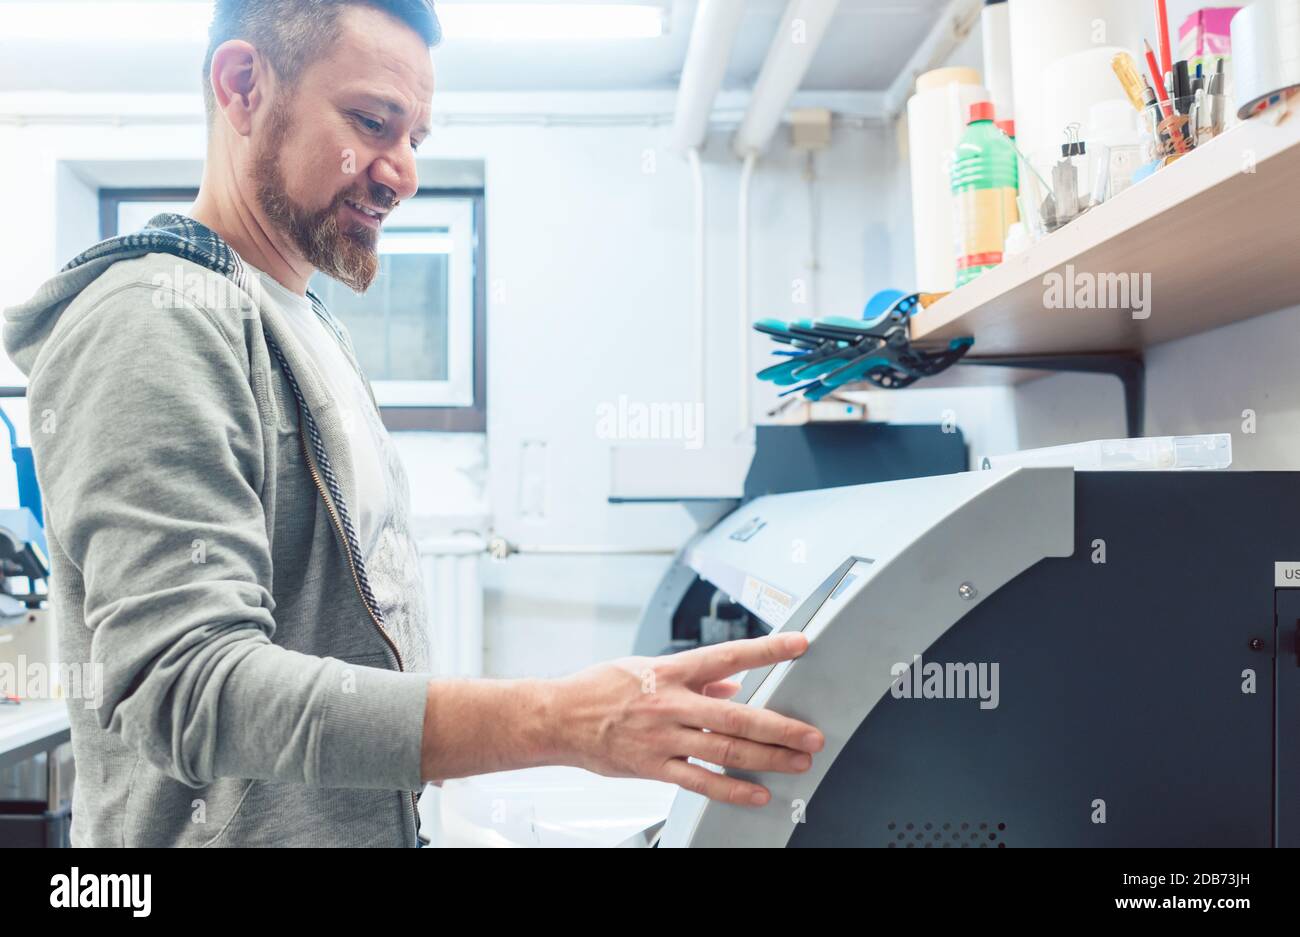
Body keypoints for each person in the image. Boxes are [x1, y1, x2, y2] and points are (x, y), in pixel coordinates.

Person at [1, 0, 822, 847]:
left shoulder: (307, 328)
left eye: (416, 139)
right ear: (242, 87)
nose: (402, 171)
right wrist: (560, 718)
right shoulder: (155, 321)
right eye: (371, 122)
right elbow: (186, 685)